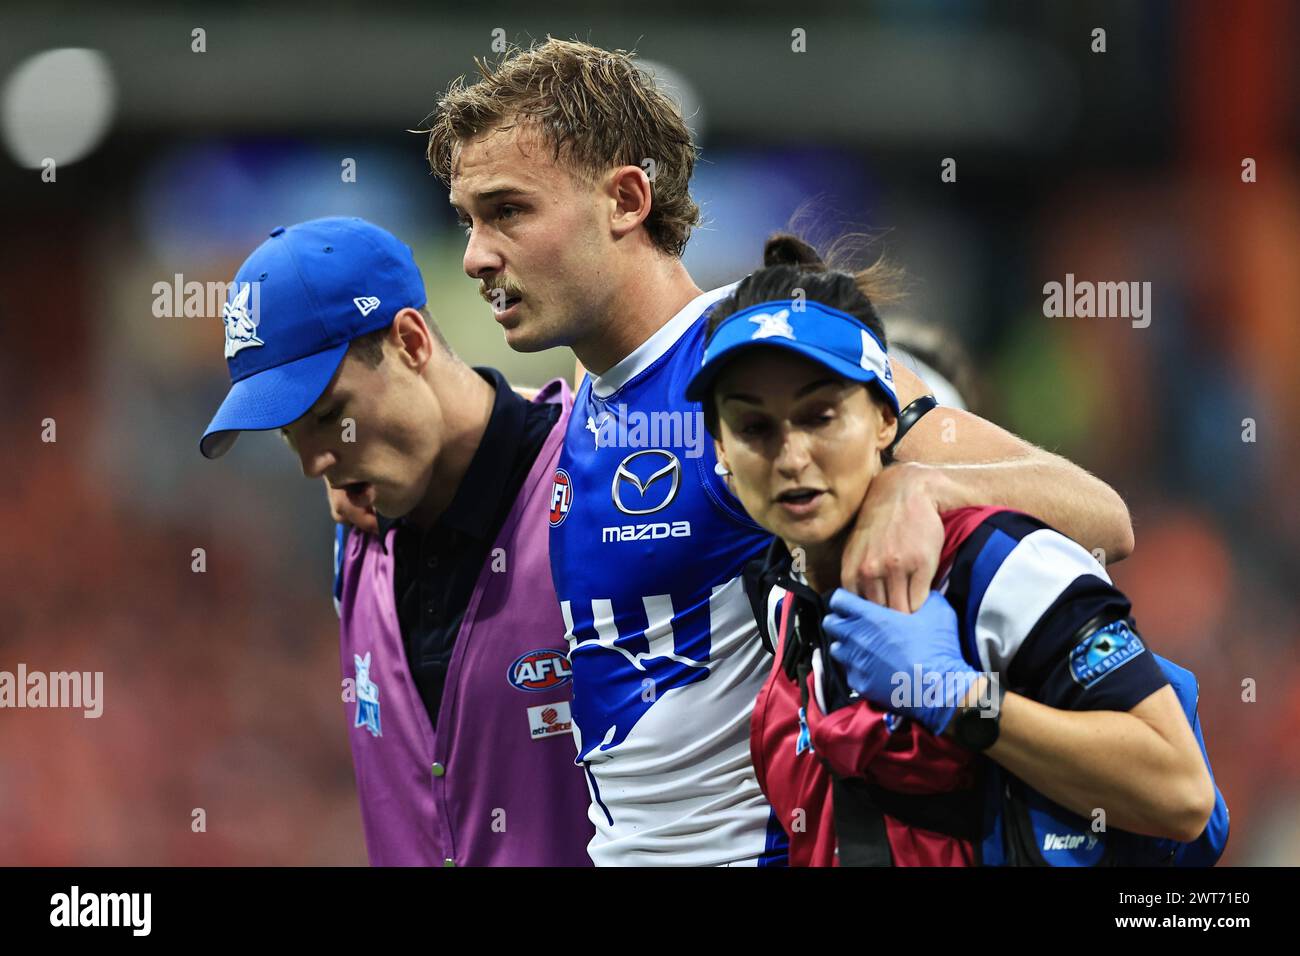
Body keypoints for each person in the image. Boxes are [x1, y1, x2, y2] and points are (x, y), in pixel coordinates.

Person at [424, 38, 1136, 866]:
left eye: (508, 211)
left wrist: (920, 488)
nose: (476, 255)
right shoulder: (595, 392)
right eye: (469, 221)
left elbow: (1101, 515)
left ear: (625, 199)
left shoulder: (754, 364)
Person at [685, 234, 1218, 866]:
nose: (792, 456)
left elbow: (1183, 796)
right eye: (754, 428)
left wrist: (960, 700)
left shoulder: (996, 562)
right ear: (720, 449)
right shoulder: (781, 614)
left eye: (821, 416)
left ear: (886, 418)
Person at [198, 216, 593, 866]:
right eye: (290, 434)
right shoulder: (358, 533)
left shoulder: (593, 486)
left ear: (411, 340)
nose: (313, 464)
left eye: (328, 416)